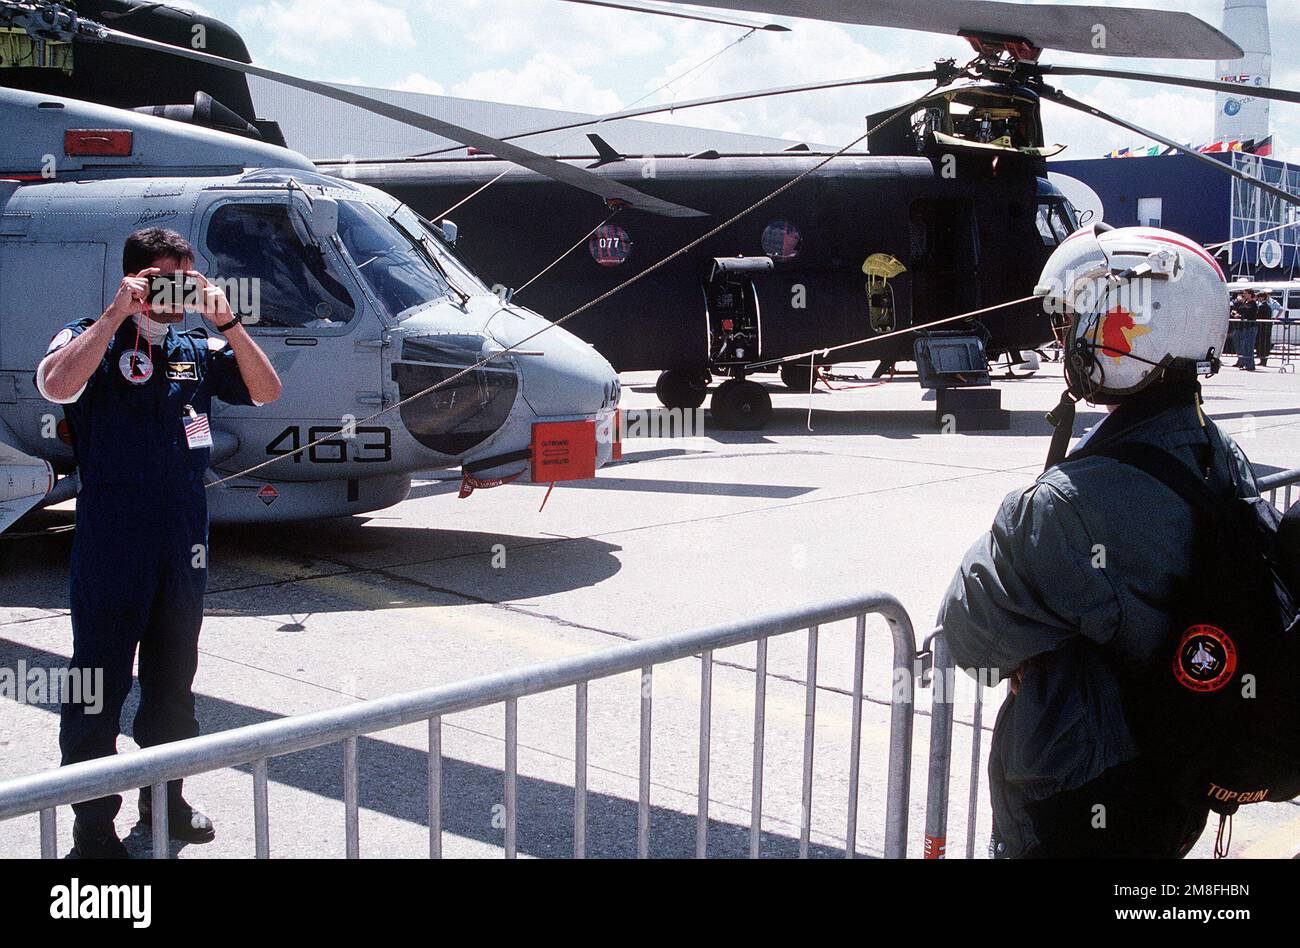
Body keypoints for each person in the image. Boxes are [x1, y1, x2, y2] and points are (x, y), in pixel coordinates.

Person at [938, 225, 1258, 858]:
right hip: (1173, 783)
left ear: (1147, 328)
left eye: (1087, 319)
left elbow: (968, 637)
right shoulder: (1221, 455)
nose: (1069, 339)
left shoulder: (1065, 507)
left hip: (1076, 798)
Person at [37, 228, 282, 858]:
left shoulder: (194, 347)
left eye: (185, 278)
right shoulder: (89, 332)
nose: (174, 293)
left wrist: (228, 323)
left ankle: (165, 802)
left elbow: (265, 389)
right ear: (132, 279)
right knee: (97, 684)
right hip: (112, 539)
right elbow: (57, 387)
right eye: (161, 280)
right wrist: (118, 313)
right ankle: (93, 823)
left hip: (181, 540)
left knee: (174, 682)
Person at [1232, 289, 1259, 371]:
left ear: (1250, 294)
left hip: (1251, 327)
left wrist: (1241, 303)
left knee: (1249, 347)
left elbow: (1247, 310)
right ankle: (1245, 364)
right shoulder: (1245, 303)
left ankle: (1250, 365)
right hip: (1245, 327)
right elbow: (1240, 309)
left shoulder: (1253, 303)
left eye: (1245, 293)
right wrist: (1236, 314)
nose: (1244, 295)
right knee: (1244, 347)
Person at [1257, 289, 1277, 367]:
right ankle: (1263, 360)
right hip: (1267, 328)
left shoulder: (1262, 306)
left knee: (1262, 345)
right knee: (1265, 344)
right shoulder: (1268, 306)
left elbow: (1258, 316)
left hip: (1262, 328)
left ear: (1262, 298)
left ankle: (1263, 360)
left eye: (1259, 297)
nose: (1258, 299)